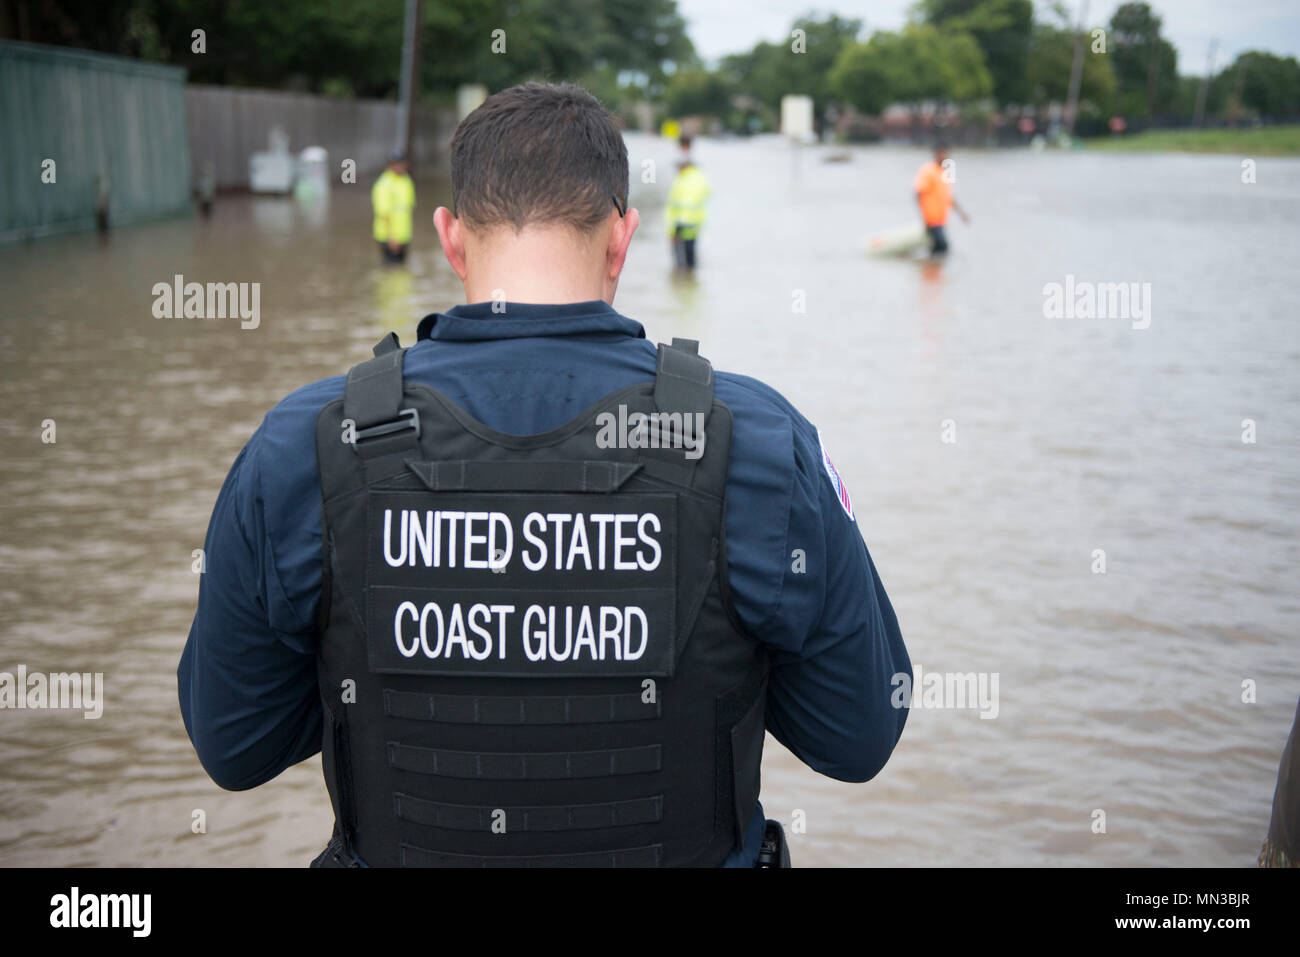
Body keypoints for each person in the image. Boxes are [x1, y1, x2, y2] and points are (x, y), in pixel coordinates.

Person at [178, 81, 910, 868]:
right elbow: (856, 735)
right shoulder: (761, 441)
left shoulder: (301, 446)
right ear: (622, 239)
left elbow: (236, 747)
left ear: (450, 239)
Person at [913, 143, 969, 256]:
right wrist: (924, 216)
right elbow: (918, 193)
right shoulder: (928, 171)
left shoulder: (946, 172)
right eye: (942, 152)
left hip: (941, 220)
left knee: (938, 249)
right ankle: (933, 271)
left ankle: (933, 271)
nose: (944, 155)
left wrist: (961, 213)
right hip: (931, 219)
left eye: (946, 153)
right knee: (942, 248)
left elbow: (948, 197)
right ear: (935, 154)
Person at [665, 151, 710, 271]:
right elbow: (706, 195)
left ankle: (683, 284)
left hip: (681, 226)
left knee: (680, 264)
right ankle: (691, 282)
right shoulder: (700, 177)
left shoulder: (681, 180)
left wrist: (673, 230)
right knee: (691, 258)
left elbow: (676, 206)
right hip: (695, 225)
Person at [372, 150, 415, 264]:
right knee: (391, 270)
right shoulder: (384, 184)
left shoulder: (406, 180)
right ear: (389, 165)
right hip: (390, 237)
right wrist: (392, 238)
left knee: (401, 269)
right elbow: (383, 213)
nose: (399, 166)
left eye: (401, 163)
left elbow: (408, 207)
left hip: (404, 235)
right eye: (395, 164)